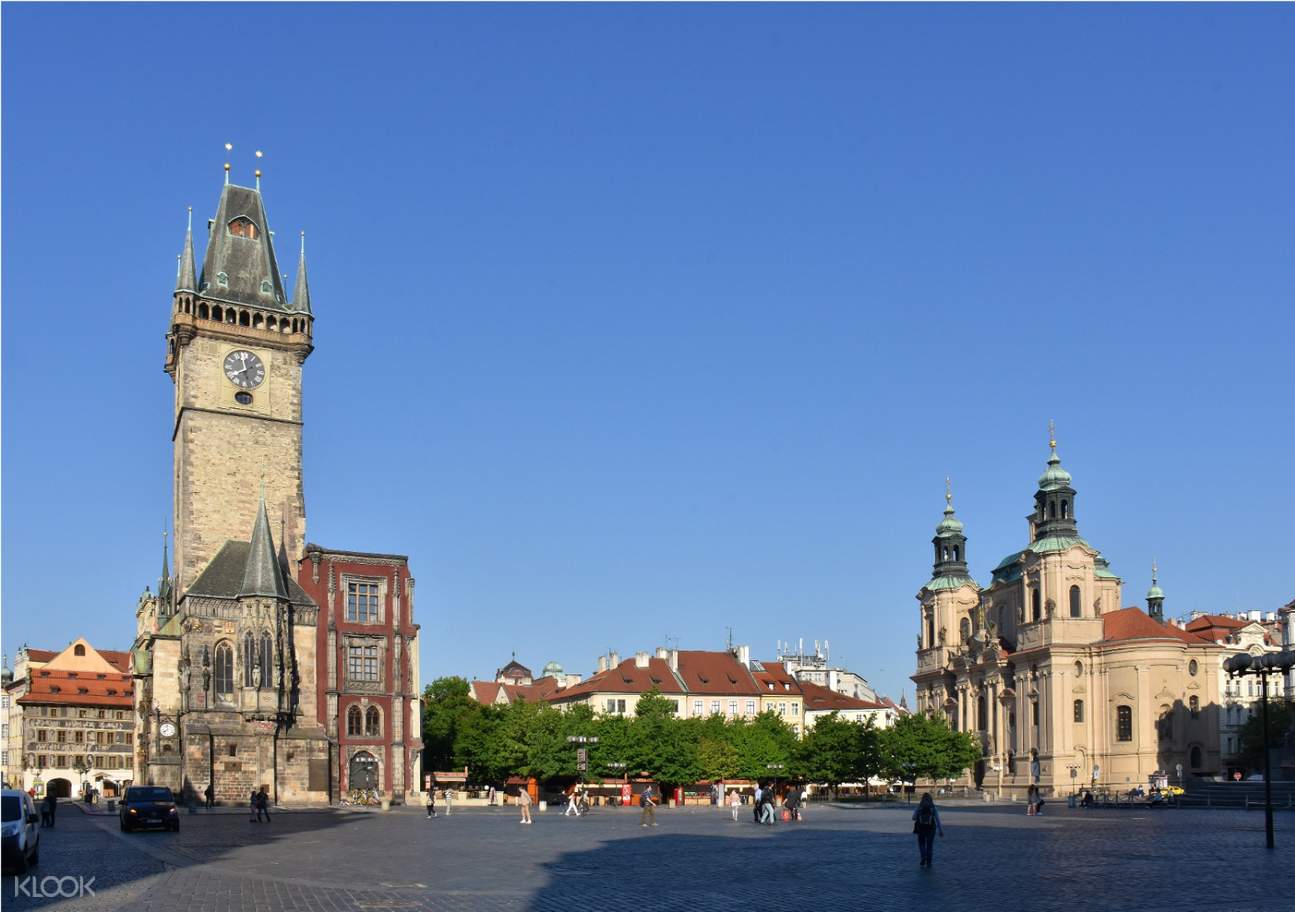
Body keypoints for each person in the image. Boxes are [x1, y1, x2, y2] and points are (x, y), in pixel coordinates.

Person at [912, 792, 944, 866]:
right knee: (930, 845)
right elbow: (938, 820)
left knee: (921, 844)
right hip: (931, 828)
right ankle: (929, 862)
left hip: (921, 828)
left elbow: (913, 818)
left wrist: (918, 816)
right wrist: (940, 830)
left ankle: (923, 857)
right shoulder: (933, 808)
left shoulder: (919, 807)